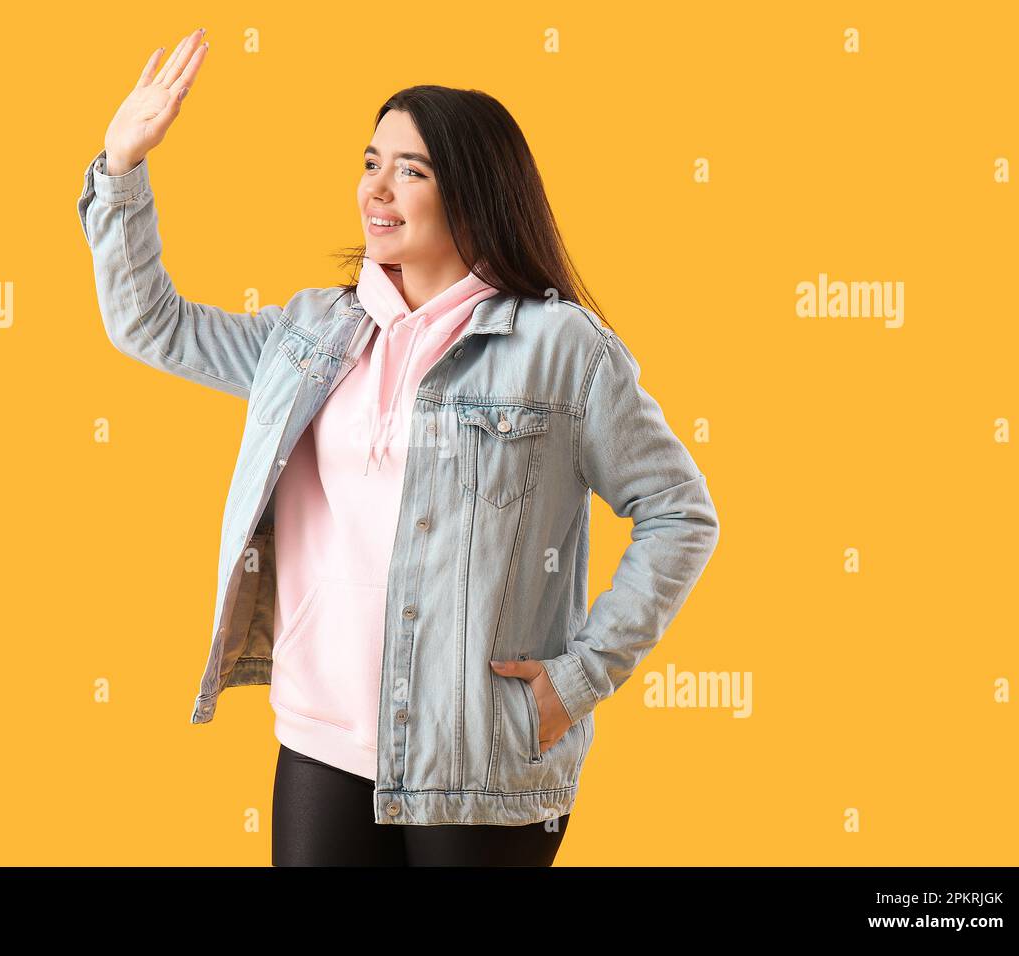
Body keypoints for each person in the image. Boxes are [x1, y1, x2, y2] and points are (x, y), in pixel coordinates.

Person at [78, 29, 720, 866]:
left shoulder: (560, 347)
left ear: (474, 194)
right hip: (321, 740)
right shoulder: (313, 333)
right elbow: (152, 325)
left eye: (410, 170)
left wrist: (583, 676)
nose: (377, 189)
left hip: (479, 757)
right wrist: (121, 167)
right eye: (371, 161)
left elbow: (679, 512)